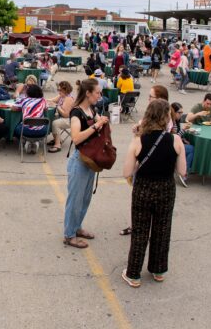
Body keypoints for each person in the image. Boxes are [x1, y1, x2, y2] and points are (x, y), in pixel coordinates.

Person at [121, 98, 186, 287]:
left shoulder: (138, 140)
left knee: (140, 231)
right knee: (162, 229)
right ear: (167, 117)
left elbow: (126, 172)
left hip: (143, 189)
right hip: (166, 188)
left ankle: (134, 274)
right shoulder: (176, 140)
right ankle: (158, 270)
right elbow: (182, 171)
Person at [63, 78, 108, 249]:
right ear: (88, 93)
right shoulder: (76, 112)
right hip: (80, 160)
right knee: (75, 199)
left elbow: (99, 124)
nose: (99, 96)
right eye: (97, 93)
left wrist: (102, 122)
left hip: (90, 160)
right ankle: (69, 235)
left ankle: (77, 227)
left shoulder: (91, 109)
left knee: (85, 199)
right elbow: (76, 138)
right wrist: (97, 125)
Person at [15, 83, 49, 150]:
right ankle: (34, 142)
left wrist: (23, 108)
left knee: (16, 128)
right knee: (45, 125)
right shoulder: (43, 100)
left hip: (26, 130)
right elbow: (46, 109)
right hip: (41, 131)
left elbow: (13, 108)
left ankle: (26, 141)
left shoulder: (24, 100)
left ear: (28, 92)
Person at [47, 80, 74, 153]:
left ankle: (57, 145)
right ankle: (58, 139)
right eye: (58, 89)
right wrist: (43, 100)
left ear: (65, 90)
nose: (58, 91)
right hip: (63, 117)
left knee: (55, 123)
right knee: (51, 119)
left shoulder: (68, 99)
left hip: (70, 119)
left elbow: (66, 114)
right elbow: (52, 100)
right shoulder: (61, 96)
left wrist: (56, 106)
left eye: (60, 90)